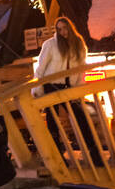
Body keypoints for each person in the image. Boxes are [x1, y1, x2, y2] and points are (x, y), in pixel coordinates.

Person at [33, 15, 93, 153]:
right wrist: (37, 89)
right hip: (51, 84)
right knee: (53, 117)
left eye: (65, 28)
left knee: (79, 115)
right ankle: (56, 150)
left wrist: (79, 89)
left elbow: (82, 68)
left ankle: (92, 148)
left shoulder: (78, 44)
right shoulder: (50, 44)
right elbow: (41, 68)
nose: (63, 32)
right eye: (59, 29)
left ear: (70, 27)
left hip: (69, 85)